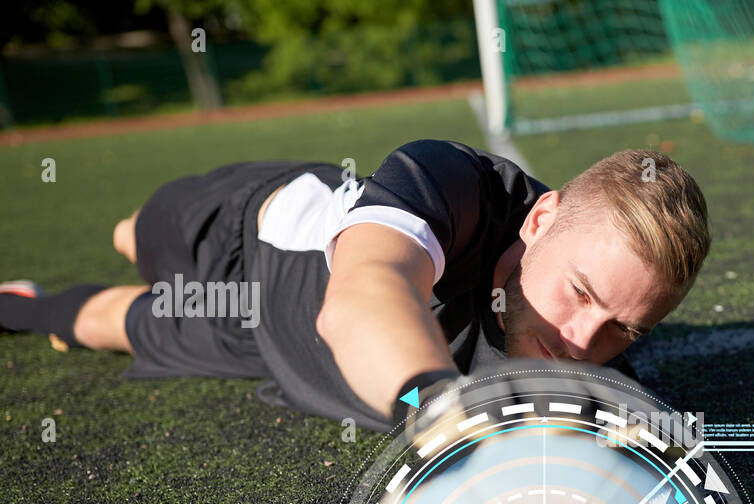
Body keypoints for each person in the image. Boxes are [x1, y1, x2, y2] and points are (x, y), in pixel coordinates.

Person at [0, 141, 711, 432]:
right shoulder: (456, 185)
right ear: (542, 218)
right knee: (137, 237)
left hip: (268, 335)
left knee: (98, 326)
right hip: (248, 234)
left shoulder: (598, 368)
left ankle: (19, 303)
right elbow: (361, 298)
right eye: (580, 292)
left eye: (625, 327)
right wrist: (438, 414)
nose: (585, 340)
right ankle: (132, 235)